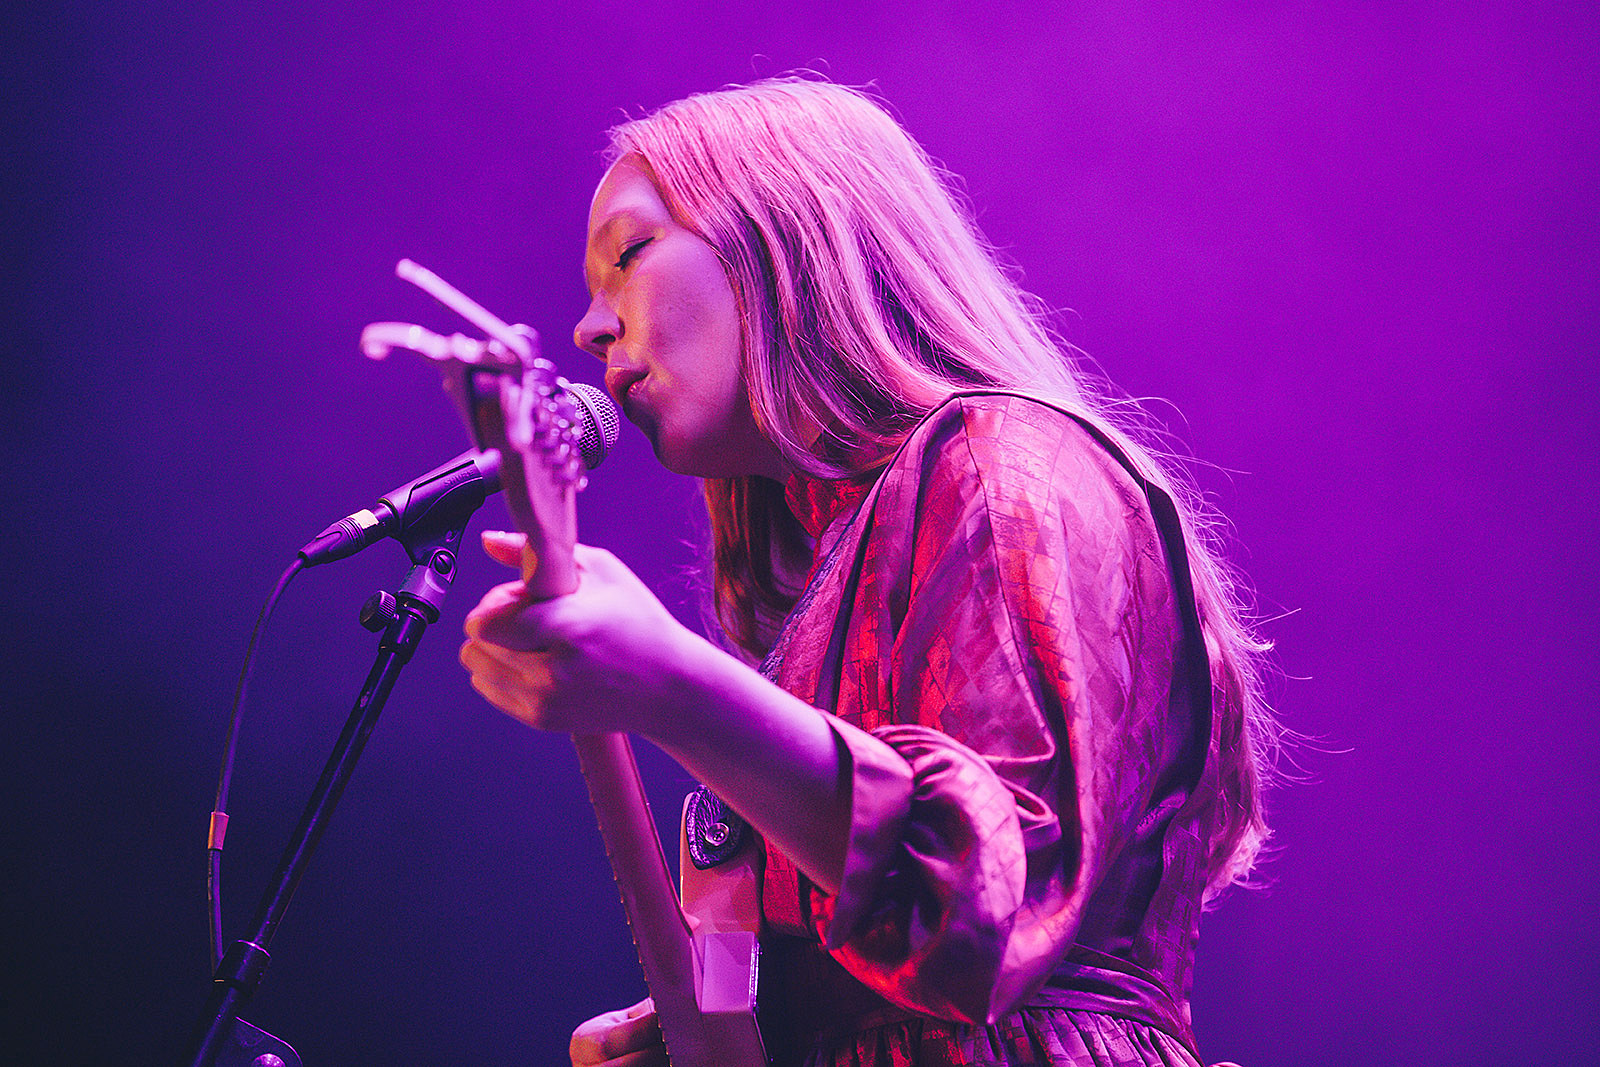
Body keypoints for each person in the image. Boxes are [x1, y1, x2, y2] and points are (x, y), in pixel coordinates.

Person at [458, 78, 1277, 1067]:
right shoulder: (823, 598)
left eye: (628, 252)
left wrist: (672, 684)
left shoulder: (999, 462)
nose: (590, 326)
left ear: (783, 237)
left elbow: (980, 906)